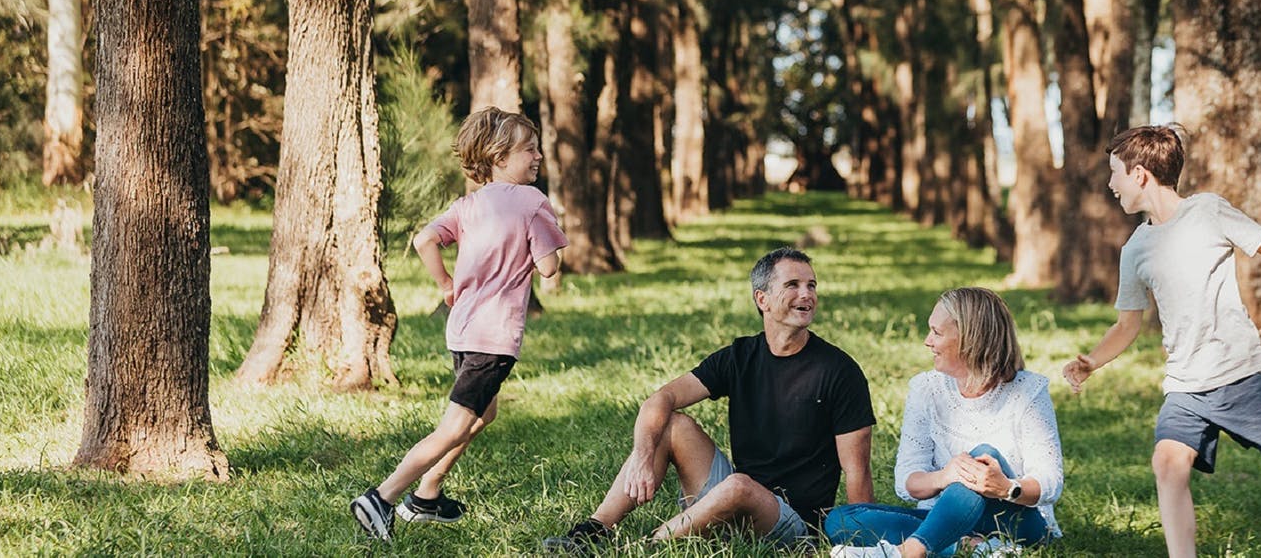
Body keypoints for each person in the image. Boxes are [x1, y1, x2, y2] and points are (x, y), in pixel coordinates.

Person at [1062, 124, 1261, 558]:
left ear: (1139, 174)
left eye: (1114, 173)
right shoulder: (1135, 248)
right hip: (1186, 386)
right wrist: (1092, 362)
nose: (1110, 184)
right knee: (1168, 464)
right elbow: (1126, 325)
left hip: (1243, 376)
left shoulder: (1207, 211)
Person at [542, 246, 876, 553]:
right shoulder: (740, 356)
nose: (807, 294)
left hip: (794, 526)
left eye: (811, 286)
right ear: (762, 299)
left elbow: (857, 471)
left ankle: (650, 546)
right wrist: (643, 455)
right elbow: (662, 398)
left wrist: (861, 547)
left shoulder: (839, 371)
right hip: (733, 502)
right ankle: (593, 530)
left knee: (739, 486)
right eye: (793, 285)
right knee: (672, 424)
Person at [350, 108, 567, 541]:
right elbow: (548, 267)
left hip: (463, 331)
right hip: (494, 338)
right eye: (529, 149)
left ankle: (427, 494)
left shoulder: (468, 204)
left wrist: (446, 284)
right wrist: (550, 239)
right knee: (454, 426)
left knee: (485, 412)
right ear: (500, 157)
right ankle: (382, 498)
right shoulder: (532, 201)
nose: (538, 156)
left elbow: (424, 239)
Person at [826, 287, 1064, 558]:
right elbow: (907, 481)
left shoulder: (1028, 390)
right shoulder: (926, 388)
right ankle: (974, 548)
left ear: (970, 339)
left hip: (1014, 522)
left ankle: (912, 550)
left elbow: (1050, 482)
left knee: (982, 457)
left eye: (937, 332)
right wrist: (946, 476)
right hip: (942, 518)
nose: (927, 341)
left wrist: (1006, 487)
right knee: (840, 520)